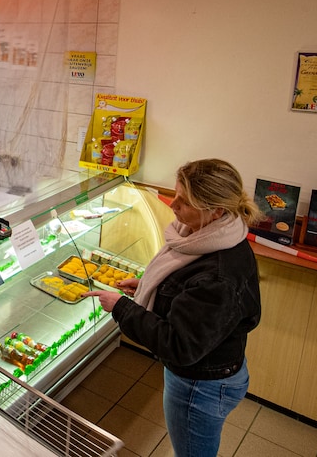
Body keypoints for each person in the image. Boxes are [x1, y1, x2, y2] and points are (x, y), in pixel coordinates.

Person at [85, 159, 263, 457]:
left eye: (185, 201)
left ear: (215, 210)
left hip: (201, 385)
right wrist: (150, 286)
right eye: (176, 193)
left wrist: (121, 308)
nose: (172, 204)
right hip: (217, 369)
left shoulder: (217, 275)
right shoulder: (218, 235)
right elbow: (193, 299)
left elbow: (180, 345)